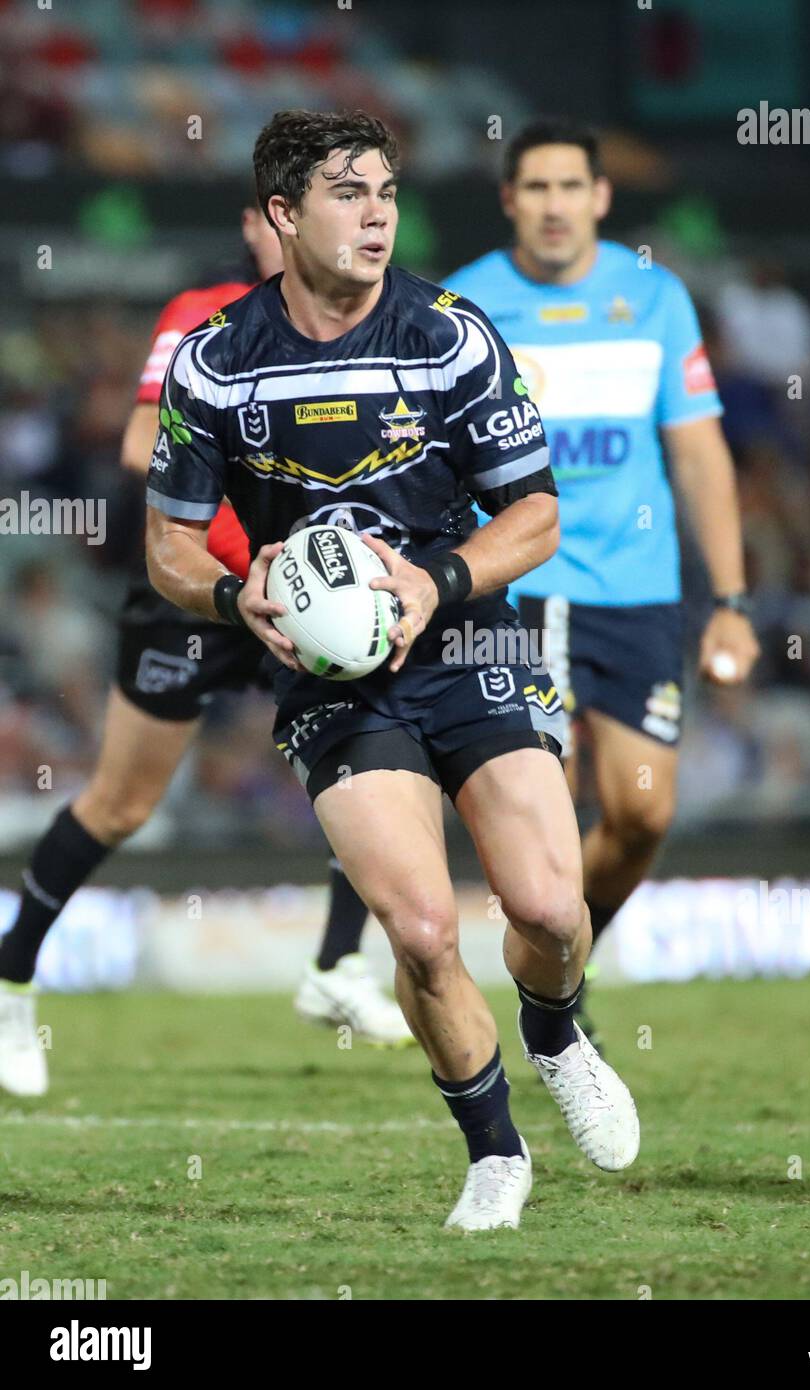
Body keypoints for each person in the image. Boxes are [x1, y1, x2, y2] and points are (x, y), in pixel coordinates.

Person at [145, 107, 640, 1231]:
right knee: (419, 930)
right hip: (333, 677)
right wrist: (236, 593)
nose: (378, 216)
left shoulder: (452, 335)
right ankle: (496, 1152)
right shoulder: (218, 364)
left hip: (469, 636)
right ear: (283, 215)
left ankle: (556, 1031)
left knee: (553, 909)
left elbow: (538, 514)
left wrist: (439, 582)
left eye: (389, 194)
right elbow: (169, 544)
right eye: (349, 195)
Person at [0, 197, 410, 1100]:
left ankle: (338, 965)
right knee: (119, 804)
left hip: (304, 595)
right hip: (195, 589)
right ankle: (10, 978)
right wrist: (246, 572)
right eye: (280, 217)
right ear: (258, 225)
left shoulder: (362, 327)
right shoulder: (200, 315)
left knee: (366, 762)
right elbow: (145, 446)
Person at [443, 120, 760, 1049]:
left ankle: (558, 978)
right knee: (555, 795)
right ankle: (545, 1010)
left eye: (568, 188)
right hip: (519, 584)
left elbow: (698, 454)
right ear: (509, 200)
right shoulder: (465, 303)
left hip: (637, 591)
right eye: (533, 189)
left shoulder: (653, 296)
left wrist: (733, 605)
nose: (552, 206)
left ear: (600, 196)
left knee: (642, 813)